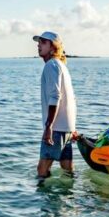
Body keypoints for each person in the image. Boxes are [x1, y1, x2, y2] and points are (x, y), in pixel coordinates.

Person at [33, 31, 77, 181]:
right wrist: (72, 128)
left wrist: (48, 127)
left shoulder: (51, 65)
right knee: (68, 170)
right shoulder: (61, 66)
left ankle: (45, 204)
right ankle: (70, 201)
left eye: (43, 42)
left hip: (56, 128)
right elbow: (71, 99)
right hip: (65, 128)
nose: (39, 45)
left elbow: (55, 96)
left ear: (53, 47)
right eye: (39, 42)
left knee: (42, 169)